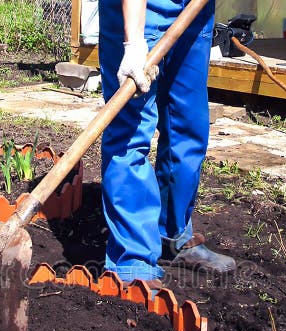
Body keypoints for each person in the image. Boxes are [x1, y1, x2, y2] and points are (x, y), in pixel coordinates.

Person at [98, 0, 236, 286]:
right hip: (138, 10)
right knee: (130, 129)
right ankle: (132, 260)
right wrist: (134, 43)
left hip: (196, 8)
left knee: (187, 124)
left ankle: (173, 233)